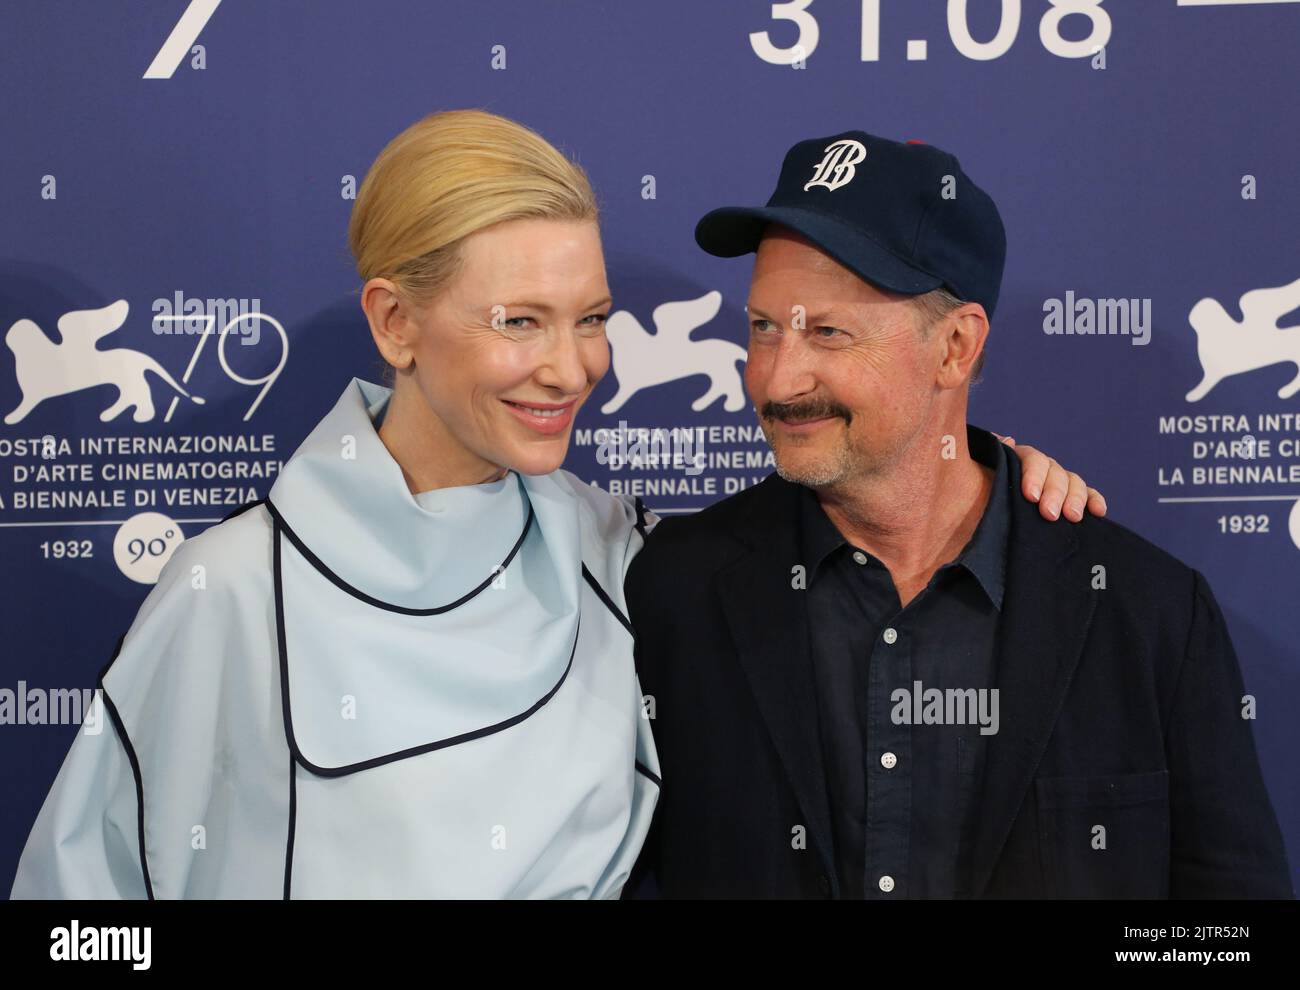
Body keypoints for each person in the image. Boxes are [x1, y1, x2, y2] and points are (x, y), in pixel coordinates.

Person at [11, 112, 1101, 899]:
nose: (573, 368)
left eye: (591, 318)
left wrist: (978, 466)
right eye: (519, 321)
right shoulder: (231, 590)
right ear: (395, 323)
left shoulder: (622, 558)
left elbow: (863, 490)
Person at [625, 130, 1293, 899]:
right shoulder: (672, 589)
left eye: (827, 332)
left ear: (955, 347)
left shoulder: (1148, 612)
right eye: (763, 326)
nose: (777, 378)